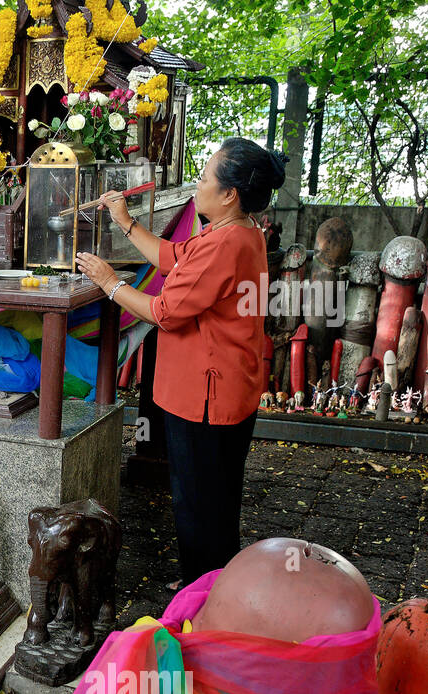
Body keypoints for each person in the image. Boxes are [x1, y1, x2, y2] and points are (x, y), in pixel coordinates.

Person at [76, 138, 287, 589]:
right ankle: (214, 582)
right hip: (230, 388)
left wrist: (109, 283)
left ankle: (203, 598)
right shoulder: (239, 230)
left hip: (206, 396)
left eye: (206, 176)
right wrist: (126, 222)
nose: (198, 182)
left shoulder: (224, 244)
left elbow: (164, 313)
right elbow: (174, 258)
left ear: (230, 193)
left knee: (198, 503)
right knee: (218, 496)